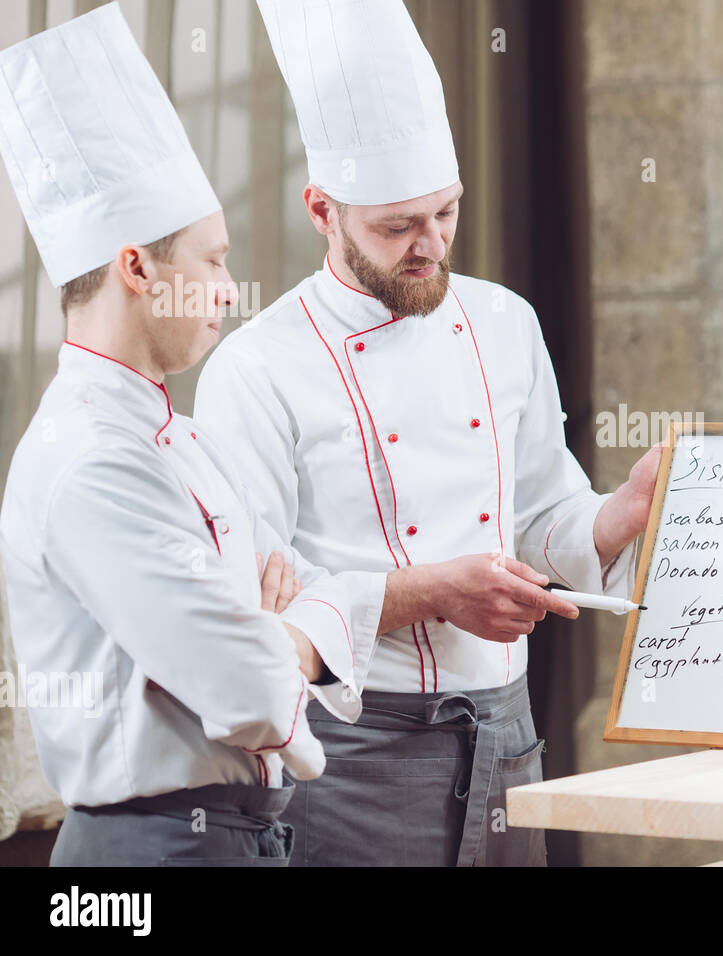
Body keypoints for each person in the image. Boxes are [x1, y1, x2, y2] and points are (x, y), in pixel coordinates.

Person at [194, 0, 658, 866]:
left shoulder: (504, 322)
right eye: (397, 226)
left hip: (508, 734)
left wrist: (614, 516)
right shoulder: (254, 370)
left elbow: (536, 517)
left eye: (444, 213)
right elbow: (256, 603)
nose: (430, 246)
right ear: (321, 209)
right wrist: (436, 591)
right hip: (355, 755)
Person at [0, 3, 389, 866]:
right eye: (212, 261)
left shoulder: (181, 434)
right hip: (152, 850)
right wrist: (275, 632)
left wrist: (263, 623)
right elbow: (248, 684)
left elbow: (308, 582)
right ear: (138, 267)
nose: (228, 287)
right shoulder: (95, 461)